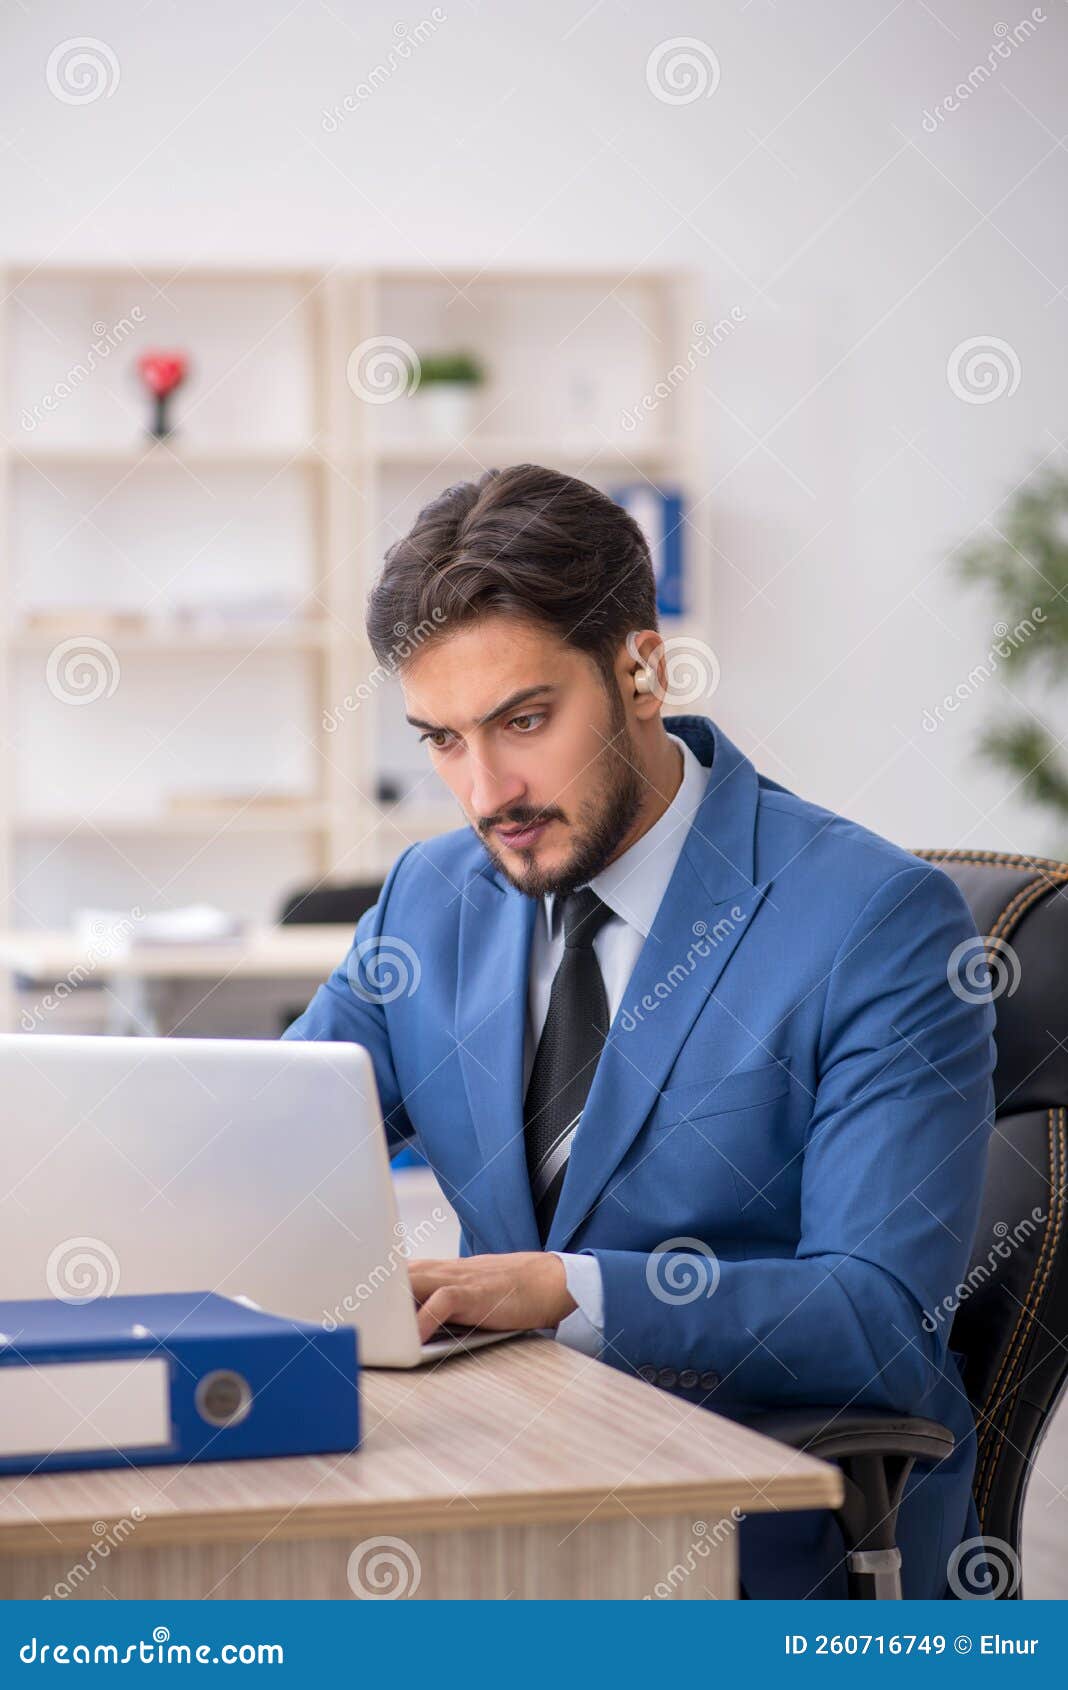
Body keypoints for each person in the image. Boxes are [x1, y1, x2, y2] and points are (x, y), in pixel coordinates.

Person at [285, 463, 997, 1599]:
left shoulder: (874, 919)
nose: (487, 792)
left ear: (641, 668)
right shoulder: (432, 896)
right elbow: (266, 1131)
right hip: (509, 1477)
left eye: (524, 721)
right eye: (443, 739)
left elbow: (878, 1318)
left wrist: (570, 1287)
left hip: (763, 1524)